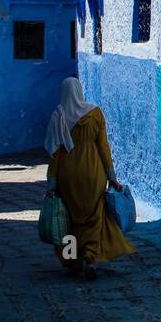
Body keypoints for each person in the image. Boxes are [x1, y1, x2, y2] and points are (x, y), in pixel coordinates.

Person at [44, 77, 134, 280]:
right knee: (94, 216)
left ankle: (72, 260)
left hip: (67, 174)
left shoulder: (59, 115)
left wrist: (51, 184)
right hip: (93, 172)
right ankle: (90, 257)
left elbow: (55, 153)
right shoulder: (95, 113)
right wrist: (112, 177)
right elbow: (103, 147)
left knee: (69, 220)